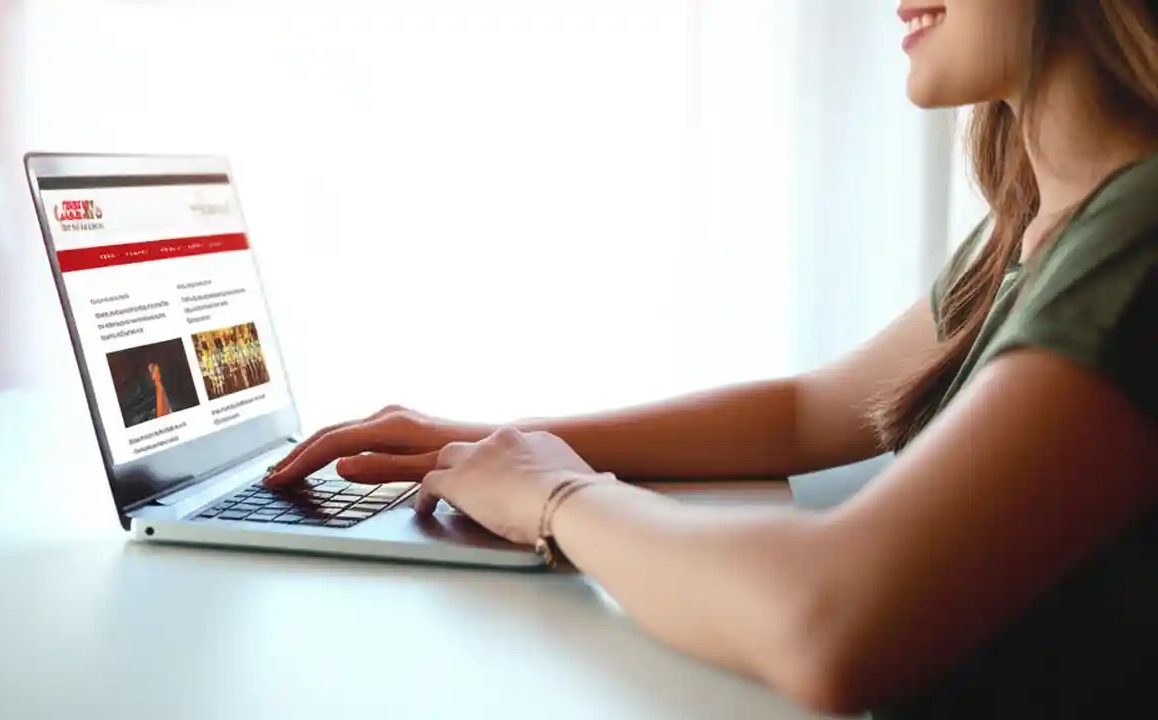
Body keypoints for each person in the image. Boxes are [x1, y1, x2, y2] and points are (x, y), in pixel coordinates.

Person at [266, 1, 1158, 715]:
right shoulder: (1036, 225)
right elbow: (812, 410)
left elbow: (826, 625)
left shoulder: (1139, 233)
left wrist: (560, 498)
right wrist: (488, 439)